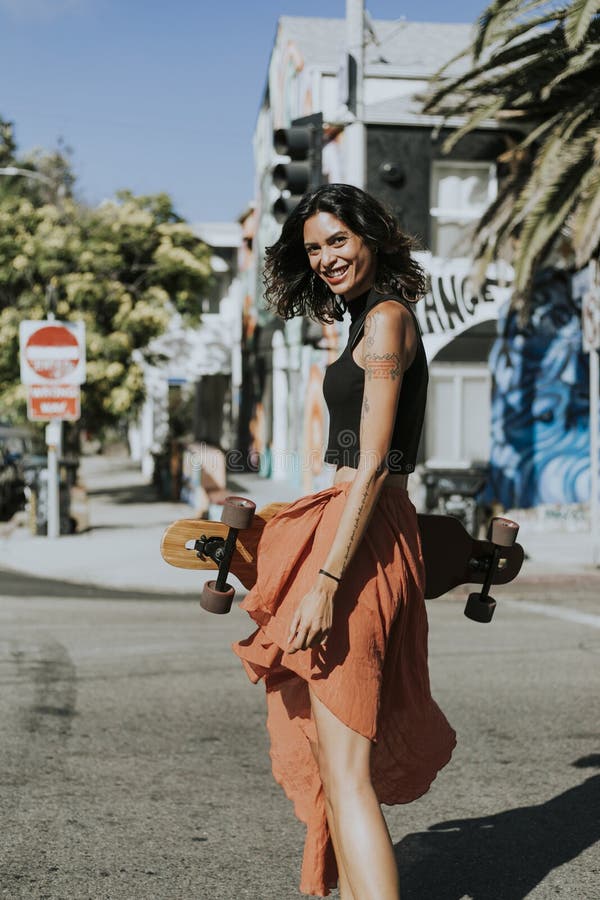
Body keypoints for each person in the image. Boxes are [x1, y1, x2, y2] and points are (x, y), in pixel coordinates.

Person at [233, 183, 456, 899]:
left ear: (370, 237)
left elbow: (372, 463)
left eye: (338, 240)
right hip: (348, 527)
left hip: (362, 539)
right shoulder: (362, 326)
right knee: (337, 768)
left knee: (349, 773)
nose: (327, 257)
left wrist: (327, 581)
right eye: (313, 248)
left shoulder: (387, 321)